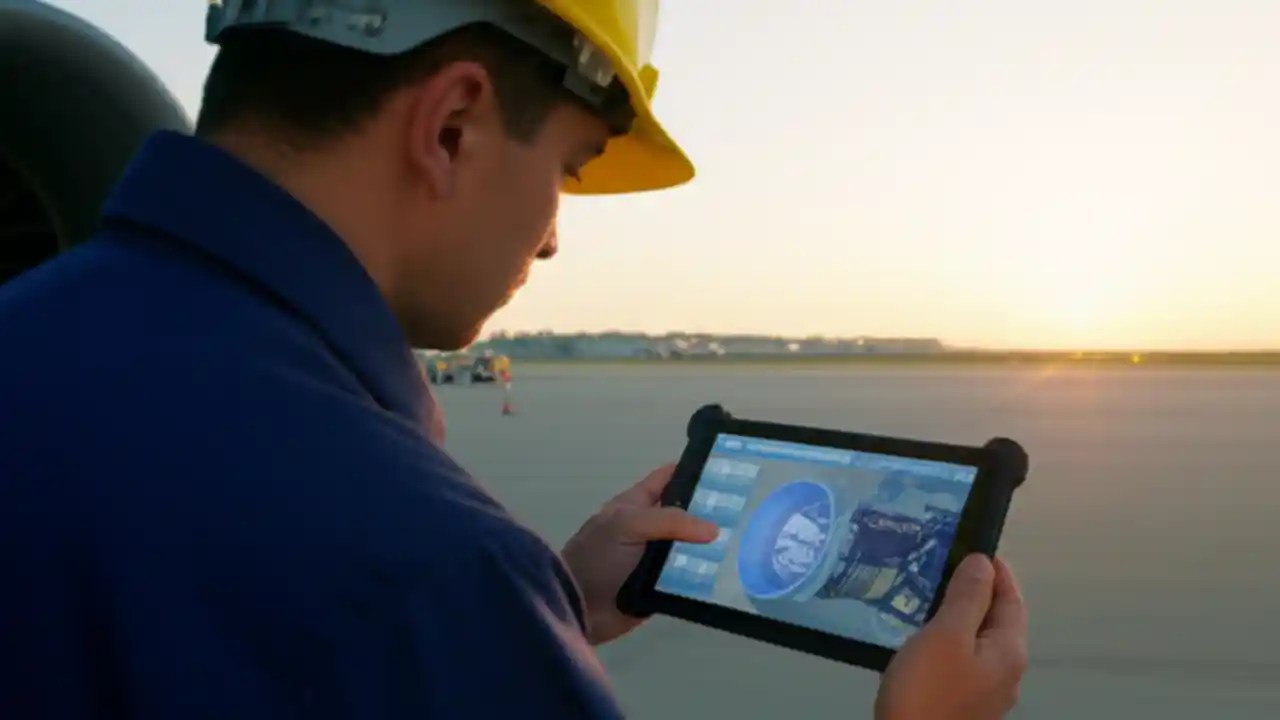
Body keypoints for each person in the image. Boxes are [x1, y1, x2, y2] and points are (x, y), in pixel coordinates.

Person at [0, 1, 1027, 718]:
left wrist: (555, 606)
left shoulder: (36, 337)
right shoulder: (422, 571)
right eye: (567, 170)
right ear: (450, 128)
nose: (548, 239)